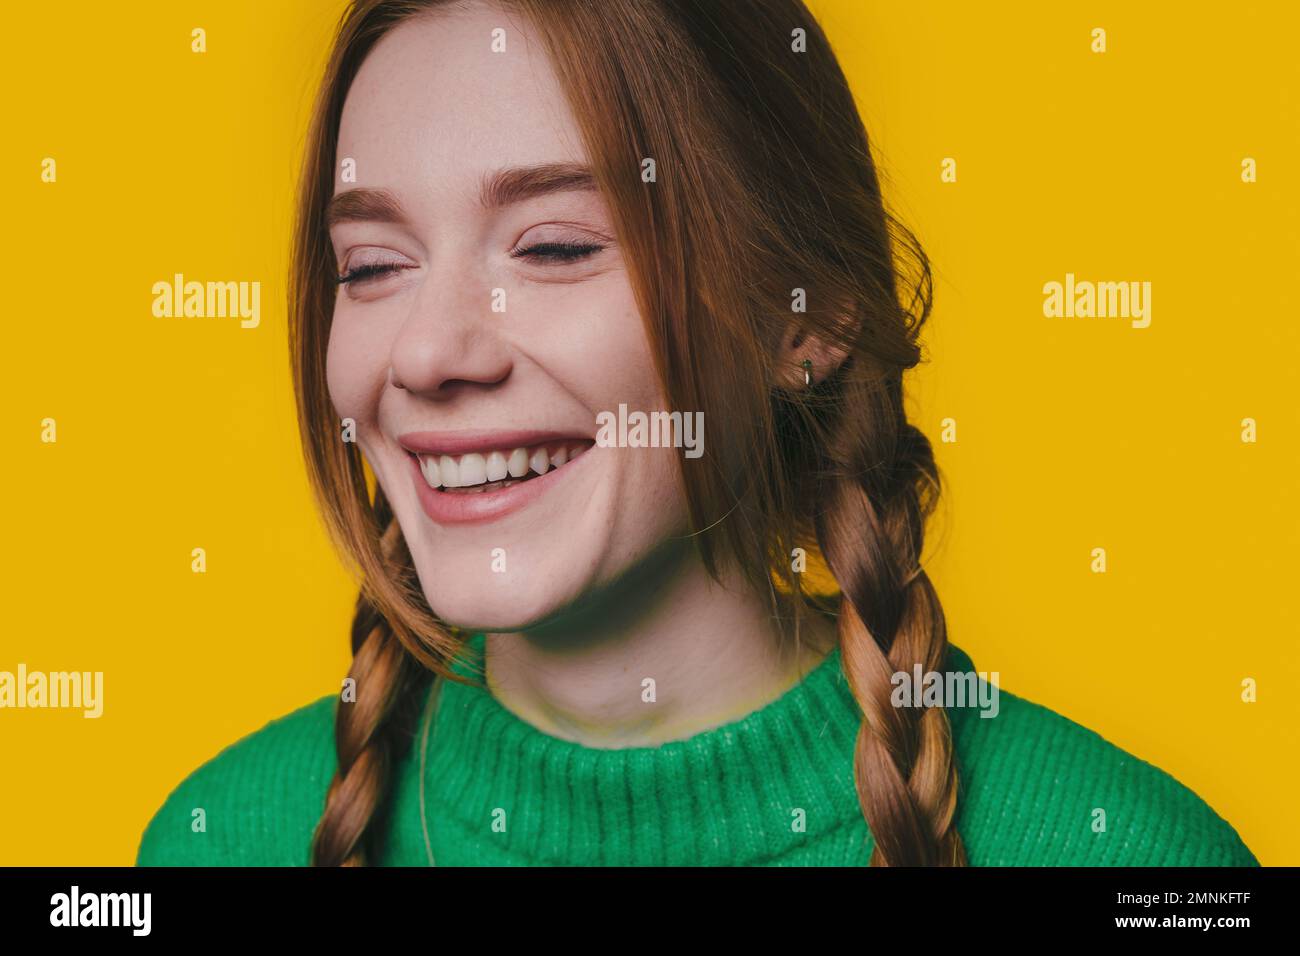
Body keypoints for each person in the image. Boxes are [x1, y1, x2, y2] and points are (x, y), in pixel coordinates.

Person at [137, 0, 1257, 867]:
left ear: (805, 317)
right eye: (372, 266)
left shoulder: (1130, 859)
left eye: (554, 247)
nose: (428, 355)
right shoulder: (213, 836)